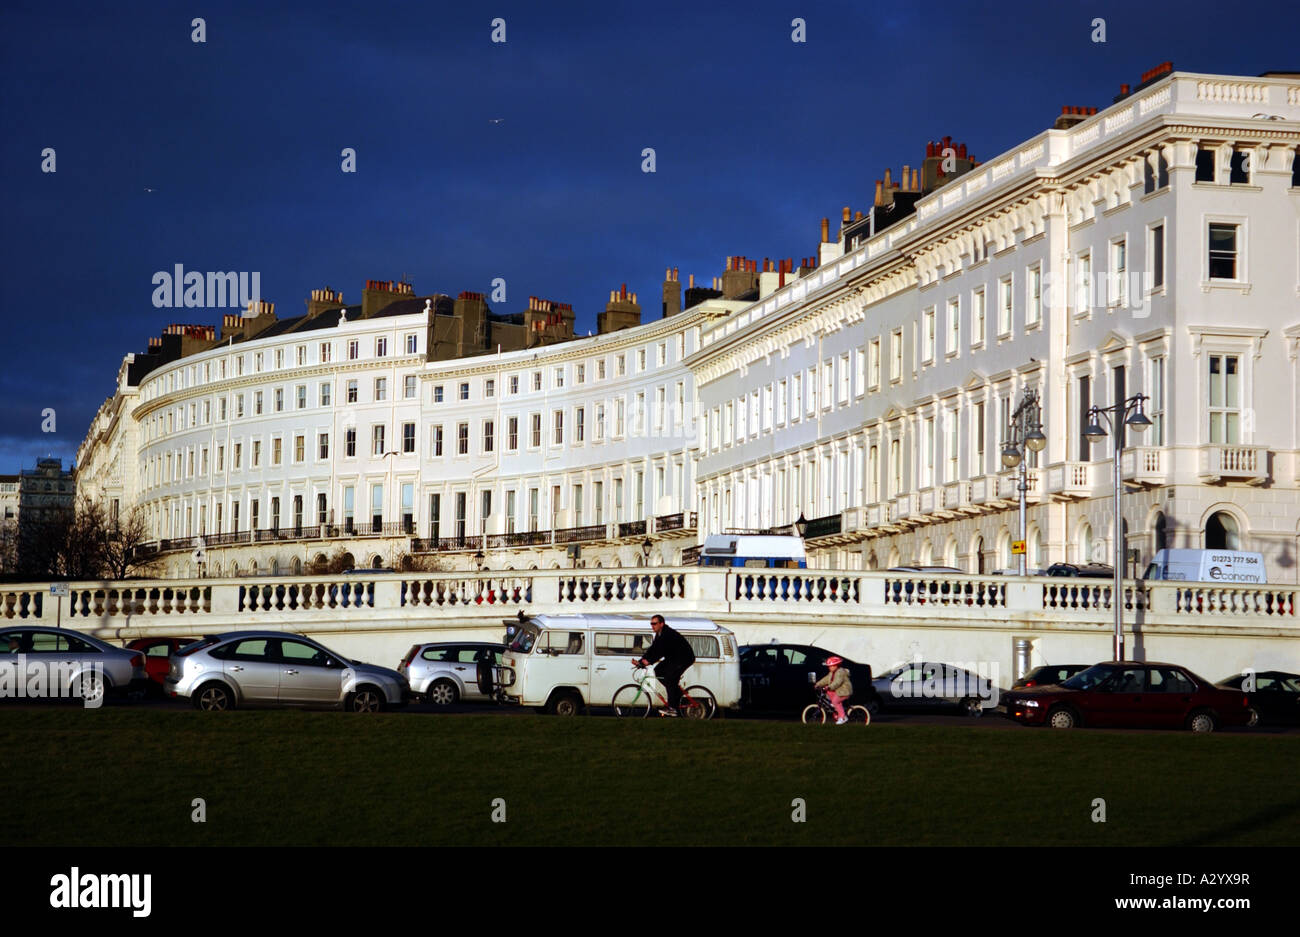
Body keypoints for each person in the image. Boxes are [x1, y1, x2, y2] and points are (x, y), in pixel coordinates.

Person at [635, 614, 695, 717]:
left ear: (661, 624)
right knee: (658, 670)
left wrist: (649, 661)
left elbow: (660, 652)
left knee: (669, 678)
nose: (652, 626)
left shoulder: (667, 634)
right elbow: (653, 649)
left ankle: (672, 708)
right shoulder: (659, 634)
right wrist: (641, 661)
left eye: (654, 623)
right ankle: (676, 695)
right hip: (674, 658)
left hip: (684, 658)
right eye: (651, 624)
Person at [814, 656, 853, 725]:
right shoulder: (832, 672)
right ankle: (835, 707)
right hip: (839, 691)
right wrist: (818, 684)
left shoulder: (840, 672)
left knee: (835, 701)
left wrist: (829, 687)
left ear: (836, 666)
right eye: (829, 666)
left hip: (845, 691)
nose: (829, 668)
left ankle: (843, 717)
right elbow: (826, 679)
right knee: (829, 693)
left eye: (831, 666)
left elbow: (837, 682)